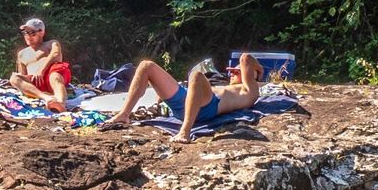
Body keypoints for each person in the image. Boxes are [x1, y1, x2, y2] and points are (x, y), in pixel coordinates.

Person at [99, 52, 264, 143]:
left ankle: (185, 131)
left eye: (237, 71)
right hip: (184, 101)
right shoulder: (224, 84)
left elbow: (246, 58)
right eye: (232, 71)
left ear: (250, 75)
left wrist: (259, 70)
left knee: (196, 75)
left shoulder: (249, 91)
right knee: (146, 66)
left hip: (206, 108)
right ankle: (124, 114)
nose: (232, 73)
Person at [9, 16, 73, 110]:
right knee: (14, 78)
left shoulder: (51, 43)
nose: (29, 36)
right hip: (36, 82)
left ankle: (60, 104)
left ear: (42, 32)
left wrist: (42, 70)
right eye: (26, 33)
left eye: (32, 33)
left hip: (52, 74)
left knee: (55, 75)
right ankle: (47, 98)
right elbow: (23, 75)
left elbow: (55, 54)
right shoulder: (22, 53)